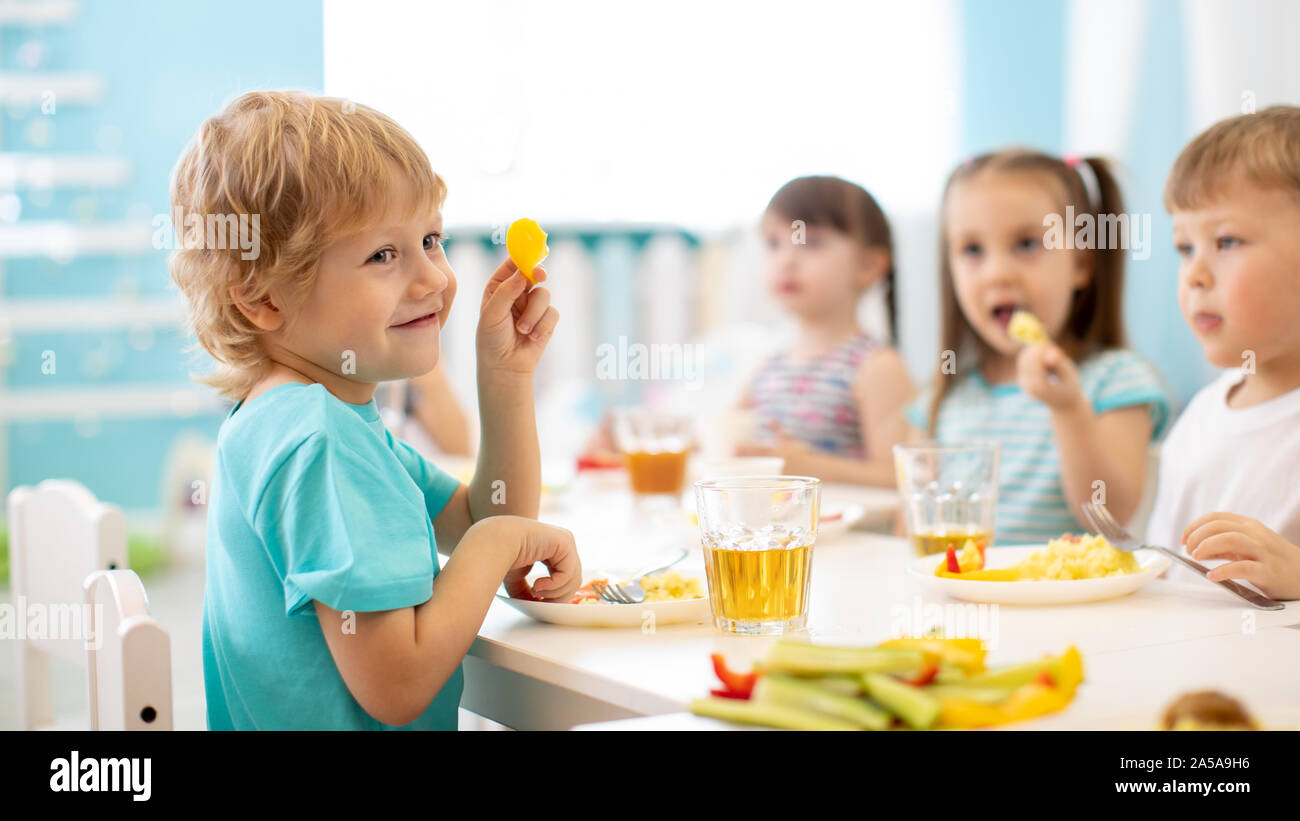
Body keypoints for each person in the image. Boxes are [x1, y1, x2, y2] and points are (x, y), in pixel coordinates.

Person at [170, 91, 581, 729]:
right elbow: (399, 683)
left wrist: (503, 377)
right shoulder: (318, 441)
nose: (436, 279)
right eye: (383, 255)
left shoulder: (301, 419)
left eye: (430, 239)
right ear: (263, 299)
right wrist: (499, 544)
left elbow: (483, 514)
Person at [905, 149, 1172, 544]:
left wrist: (1068, 409)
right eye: (972, 250)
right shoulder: (940, 397)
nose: (997, 272)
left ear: (1081, 264)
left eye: (1027, 244)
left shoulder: (1117, 380)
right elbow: (909, 532)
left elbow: (1112, 515)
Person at [1145, 106, 1300, 600]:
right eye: (1185, 248)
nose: (1194, 274)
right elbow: (1162, 579)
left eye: (1226, 241)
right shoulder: (1198, 422)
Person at [735, 175, 916, 486]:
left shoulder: (876, 367)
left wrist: (808, 466)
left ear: (869, 266)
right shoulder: (768, 368)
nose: (787, 260)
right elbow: (728, 437)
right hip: (775, 533)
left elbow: (904, 477)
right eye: (774, 244)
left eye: (812, 242)